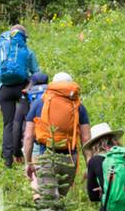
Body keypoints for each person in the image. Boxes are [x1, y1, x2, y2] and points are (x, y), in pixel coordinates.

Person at [23, 71, 91, 204]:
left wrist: (28, 162)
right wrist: (89, 163)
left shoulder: (38, 103)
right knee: (59, 200)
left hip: (46, 157)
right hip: (69, 160)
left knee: (48, 205)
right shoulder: (78, 106)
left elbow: (28, 137)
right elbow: (86, 138)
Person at [0, 24, 39, 167]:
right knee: (22, 121)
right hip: (22, 88)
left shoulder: (2, 52)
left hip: (4, 90)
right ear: (24, 37)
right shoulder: (27, 52)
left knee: (8, 124)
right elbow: (36, 74)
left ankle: (7, 159)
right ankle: (21, 153)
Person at [13, 71, 48, 165]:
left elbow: (17, 126)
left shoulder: (26, 98)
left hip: (33, 143)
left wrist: (16, 151)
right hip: (53, 142)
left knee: (35, 176)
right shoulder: (53, 96)